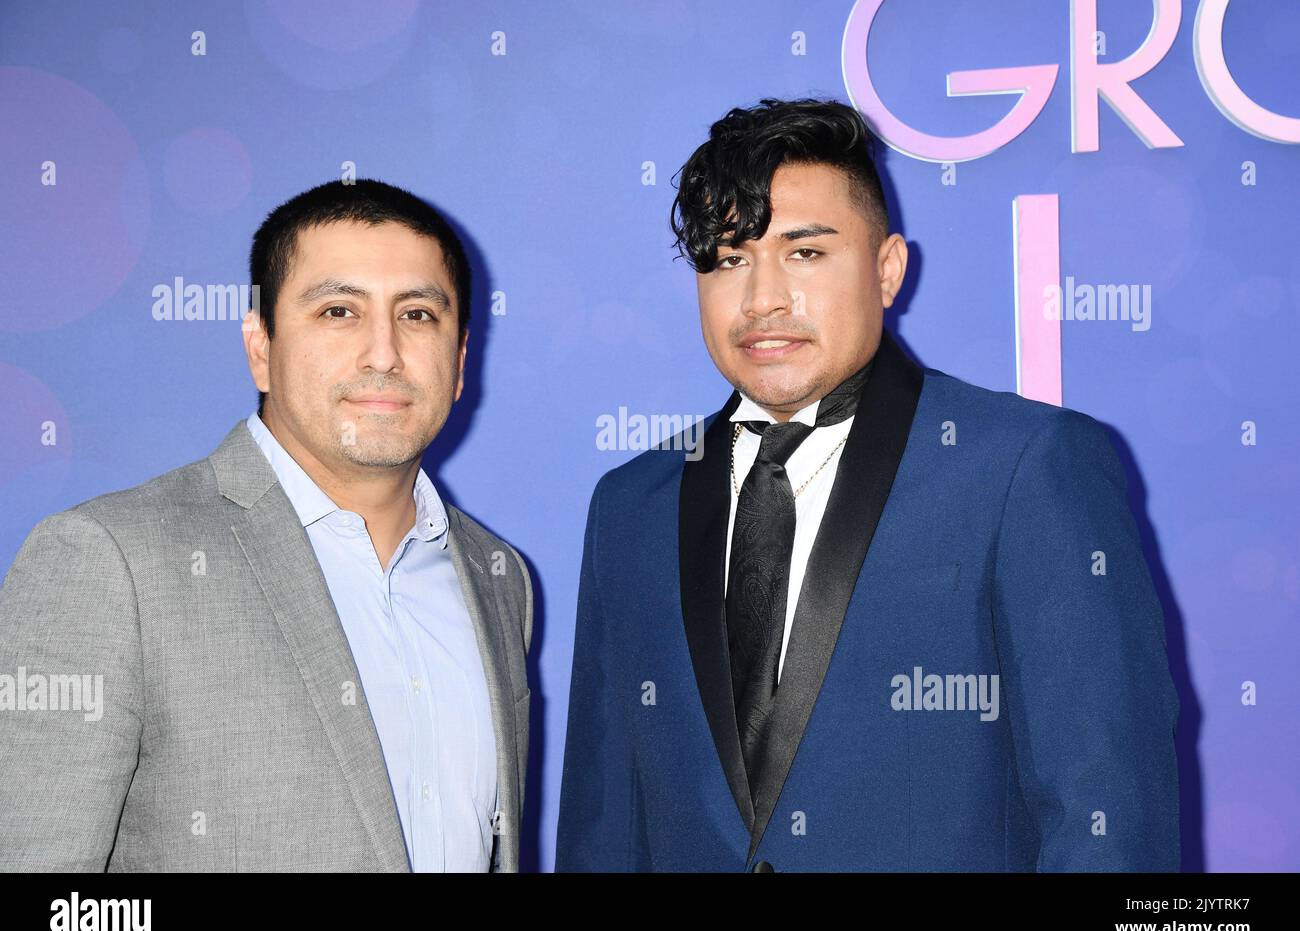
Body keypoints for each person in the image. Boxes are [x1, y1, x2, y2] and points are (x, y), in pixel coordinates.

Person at [556, 98, 1179, 871]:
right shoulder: (629, 506)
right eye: (727, 259)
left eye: (805, 253)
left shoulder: (1025, 464)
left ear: (888, 269)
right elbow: (604, 826)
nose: (762, 299)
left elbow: (1105, 816)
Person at [0, 179, 532, 872]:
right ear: (260, 347)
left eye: (418, 315)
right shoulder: (111, 562)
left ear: (460, 362)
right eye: (339, 310)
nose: (383, 353)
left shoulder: (499, 577)